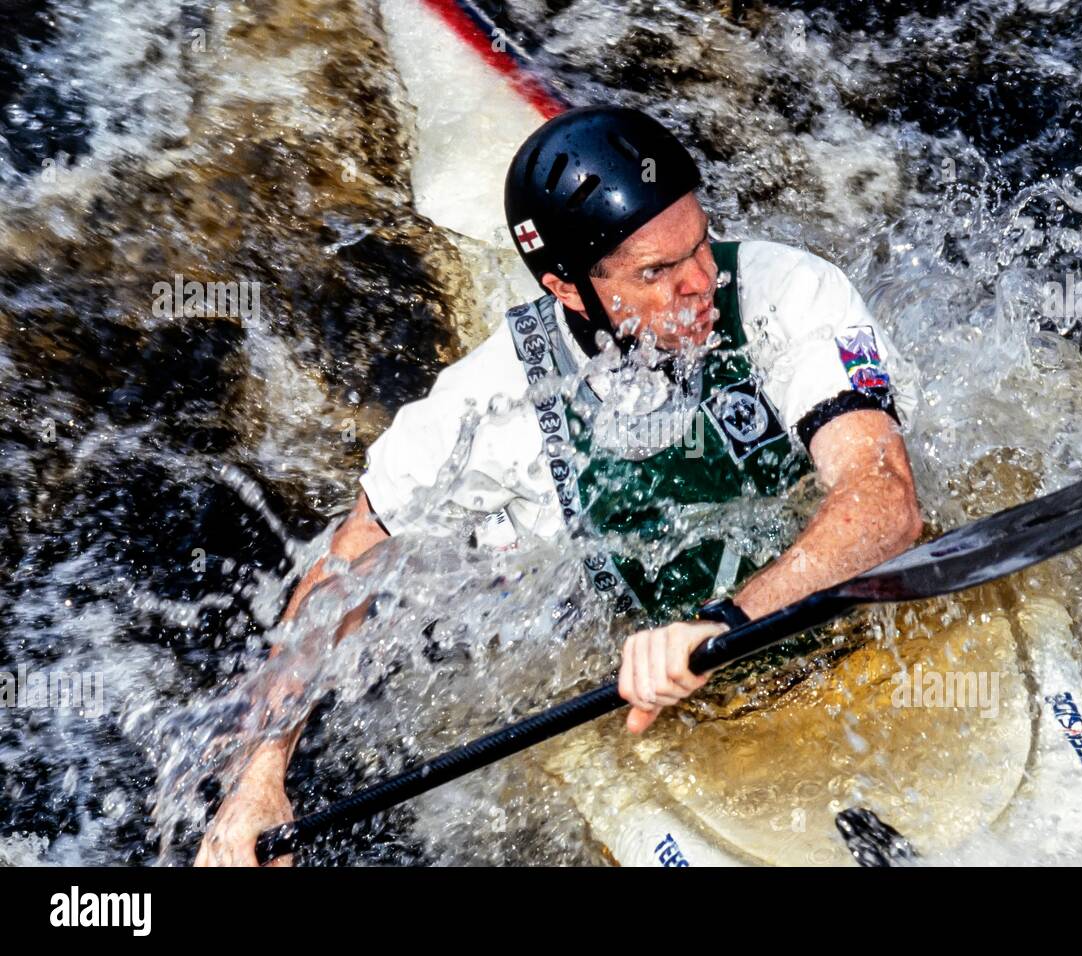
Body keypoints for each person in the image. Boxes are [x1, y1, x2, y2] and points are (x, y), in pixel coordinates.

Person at [195, 106, 922, 866]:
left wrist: (721, 624)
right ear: (568, 289)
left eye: (699, 246)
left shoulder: (785, 292)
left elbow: (885, 498)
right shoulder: (489, 402)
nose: (700, 284)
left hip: (864, 637)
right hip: (673, 715)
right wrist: (260, 779)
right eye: (656, 273)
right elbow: (345, 569)